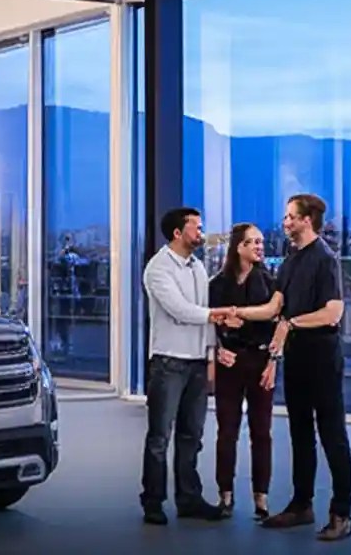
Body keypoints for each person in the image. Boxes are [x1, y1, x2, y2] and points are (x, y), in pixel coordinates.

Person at [256, 193, 351, 541]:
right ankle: (301, 505)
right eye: (285, 217)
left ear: (306, 221)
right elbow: (275, 307)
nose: (285, 223)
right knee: (300, 434)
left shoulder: (325, 259)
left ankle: (341, 513)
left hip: (322, 359)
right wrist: (232, 312)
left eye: (290, 217)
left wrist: (292, 324)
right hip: (296, 359)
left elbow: (333, 312)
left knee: (332, 435)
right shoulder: (290, 260)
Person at [139, 207, 234, 526]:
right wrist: (218, 314)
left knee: (192, 435)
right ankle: (153, 501)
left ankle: (189, 498)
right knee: (159, 438)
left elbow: (203, 311)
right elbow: (180, 310)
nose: (202, 232)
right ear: (178, 233)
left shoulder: (196, 266)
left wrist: (211, 351)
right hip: (169, 362)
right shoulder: (158, 268)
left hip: (194, 363)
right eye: (197, 227)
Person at [207, 223, 279, 522]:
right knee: (227, 431)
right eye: (253, 242)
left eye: (261, 242)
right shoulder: (217, 284)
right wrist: (216, 348)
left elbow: (278, 324)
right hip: (230, 362)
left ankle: (261, 498)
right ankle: (225, 495)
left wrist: (274, 361)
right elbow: (208, 322)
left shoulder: (271, 283)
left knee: (262, 432)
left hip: (260, 360)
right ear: (238, 247)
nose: (259, 247)